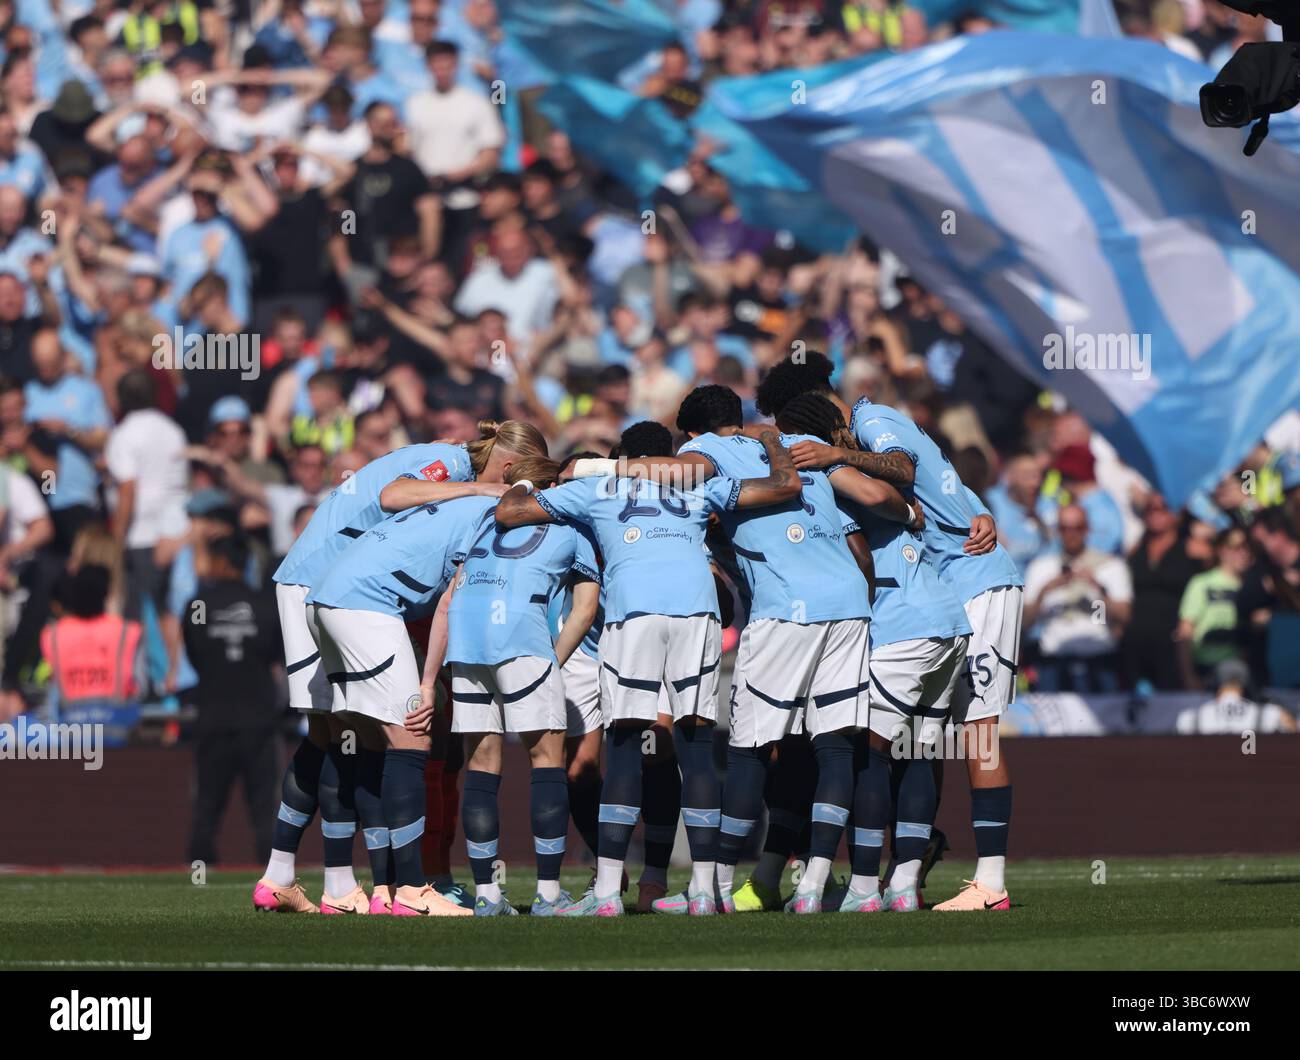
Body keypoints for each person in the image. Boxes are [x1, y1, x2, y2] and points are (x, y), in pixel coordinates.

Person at [493, 422, 805, 916]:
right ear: (672, 458)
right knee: (696, 747)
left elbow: (509, 512)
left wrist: (531, 479)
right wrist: (771, 441)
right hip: (697, 611)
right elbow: (785, 485)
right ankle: (705, 892)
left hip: (634, 612)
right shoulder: (699, 485)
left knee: (623, 747)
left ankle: (605, 895)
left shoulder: (596, 487)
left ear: (625, 455)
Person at [759, 351, 1019, 912]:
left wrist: (832, 455)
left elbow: (902, 473)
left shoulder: (870, 424)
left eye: (792, 426)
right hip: (947, 591)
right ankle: (909, 875)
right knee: (925, 742)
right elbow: (933, 486)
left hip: (973, 580)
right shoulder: (871, 436)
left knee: (971, 734)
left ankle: (982, 882)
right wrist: (978, 509)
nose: (791, 441)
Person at [255, 419, 545, 914]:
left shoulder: (453, 480)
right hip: (318, 580)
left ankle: (329, 884)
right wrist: (478, 488)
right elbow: (392, 495)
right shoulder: (450, 463)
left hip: (329, 584)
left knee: (347, 733)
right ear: (510, 467)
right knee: (341, 733)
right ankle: (342, 883)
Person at [433, 456, 600, 916]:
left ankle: (488, 895)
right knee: (546, 759)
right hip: (521, 637)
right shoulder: (575, 526)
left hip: (468, 636)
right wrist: (553, 662)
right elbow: (584, 610)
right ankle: (548, 895)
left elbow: (456, 586)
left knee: (482, 763)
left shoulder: (486, 520)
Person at [184, 533, 281, 868]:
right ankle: (273, 877)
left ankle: (199, 873)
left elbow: (195, 654)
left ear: (222, 562)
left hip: (213, 718)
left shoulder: (197, 606)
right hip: (259, 719)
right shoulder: (267, 604)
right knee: (264, 807)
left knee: (206, 807)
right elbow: (277, 658)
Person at [1023, 504, 1133, 693]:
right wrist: (1044, 591)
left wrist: (1099, 589)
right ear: (1057, 531)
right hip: (1054, 663)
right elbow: (1025, 623)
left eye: (1078, 528)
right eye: (1065, 528)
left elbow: (1124, 617)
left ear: (1088, 529)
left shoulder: (1110, 566)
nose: (1071, 534)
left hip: (1099, 660)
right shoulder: (1041, 568)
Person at [1176, 525, 1252, 688]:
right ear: (1222, 550)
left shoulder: (1255, 586)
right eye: (1237, 547)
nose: (1244, 553)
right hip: (1207, 671)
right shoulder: (1202, 583)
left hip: (1242, 673)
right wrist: (1189, 677)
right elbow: (1185, 631)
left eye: (1248, 547)